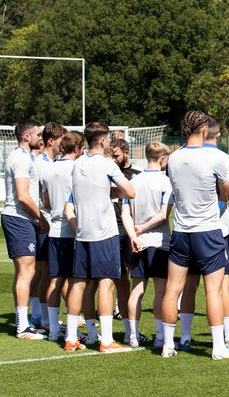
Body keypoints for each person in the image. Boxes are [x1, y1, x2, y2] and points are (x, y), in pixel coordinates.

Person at [159, 111, 229, 360]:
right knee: (213, 291)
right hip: (207, 231)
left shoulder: (173, 159)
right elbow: (225, 192)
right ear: (204, 128)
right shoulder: (213, 158)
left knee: (173, 289)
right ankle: (218, 347)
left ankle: (167, 345)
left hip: (182, 231)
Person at [62, 122, 136, 353]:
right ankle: (106, 341)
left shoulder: (76, 164)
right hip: (104, 233)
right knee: (106, 284)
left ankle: (71, 338)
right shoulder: (107, 165)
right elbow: (131, 192)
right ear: (103, 141)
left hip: (82, 233)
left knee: (78, 284)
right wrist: (115, 191)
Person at [0, 120, 50, 339]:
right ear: (26, 137)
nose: (41, 137)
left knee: (25, 271)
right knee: (27, 271)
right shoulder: (20, 158)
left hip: (21, 219)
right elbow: (22, 194)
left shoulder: (25, 157)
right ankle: (22, 326)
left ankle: (24, 321)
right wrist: (41, 218)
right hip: (19, 218)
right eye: (37, 134)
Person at [120, 142, 172, 349]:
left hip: (138, 243)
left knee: (137, 288)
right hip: (159, 242)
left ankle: (132, 335)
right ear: (161, 159)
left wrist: (134, 234)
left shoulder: (133, 180)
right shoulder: (165, 182)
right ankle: (160, 336)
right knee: (160, 290)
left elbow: (125, 213)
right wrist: (141, 229)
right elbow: (163, 215)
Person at [40, 130, 83, 341]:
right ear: (76, 149)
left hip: (54, 229)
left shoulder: (50, 168)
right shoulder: (76, 168)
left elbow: (45, 201)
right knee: (75, 281)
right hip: (72, 229)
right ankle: (74, 331)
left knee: (55, 280)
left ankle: (54, 329)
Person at [30, 122, 67, 331]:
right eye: (61, 140)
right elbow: (42, 199)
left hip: (46, 222)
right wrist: (42, 219)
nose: (63, 145)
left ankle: (40, 314)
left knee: (43, 271)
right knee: (46, 272)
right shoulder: (43, 165)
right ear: (52, 141)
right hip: (45, 223)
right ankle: (43, 318)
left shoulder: (46, 162)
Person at [111, 138, 141, 337]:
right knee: (118, 276)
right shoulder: (108, 171)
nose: (113, 159)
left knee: (134, 274)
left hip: (131, 230)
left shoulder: (138, 175)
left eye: (116, 155)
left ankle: (131, 317)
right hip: (112, 228)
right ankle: (120, 310)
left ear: (126, 152)